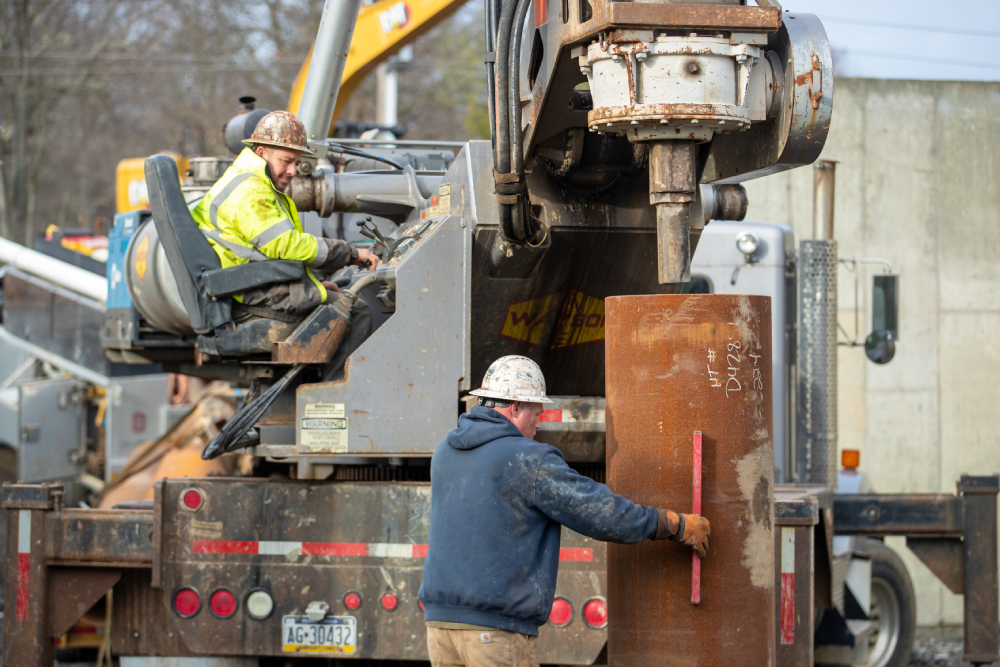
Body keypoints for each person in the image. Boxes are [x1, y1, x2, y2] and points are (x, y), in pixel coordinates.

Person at [418, 355, 711, 667]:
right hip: (494, 632)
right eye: (536, 411)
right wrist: (671, 523)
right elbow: (597, 512)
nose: (539, 422)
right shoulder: (528, 458)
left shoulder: (445, 453)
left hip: (441, 629)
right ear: (515, 408)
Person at [191, 110, 379, 323]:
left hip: (248, 283)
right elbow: (286, 246)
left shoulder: (245, 180)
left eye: (297, 163)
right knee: (358, 313)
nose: (293, 171)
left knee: (339, 301)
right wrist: (351, 253)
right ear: (261, 152)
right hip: (250, 289)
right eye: (286, 161)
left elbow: (271, 253)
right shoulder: (251, 191)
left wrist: (314, 285)